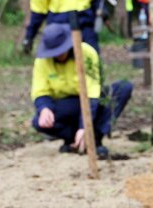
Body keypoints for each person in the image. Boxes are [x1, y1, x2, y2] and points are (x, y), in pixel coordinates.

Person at [30, 24, 133, 159]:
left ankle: (95, 139)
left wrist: (84, 127)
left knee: (123, 88)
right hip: (66, 105)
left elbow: (92, 95)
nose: (58, 55)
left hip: (91, 100)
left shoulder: (87, 53)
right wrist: (44, 108)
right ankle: (73, 139)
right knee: (39, 121)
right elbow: (40, 90)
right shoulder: (42, 61)